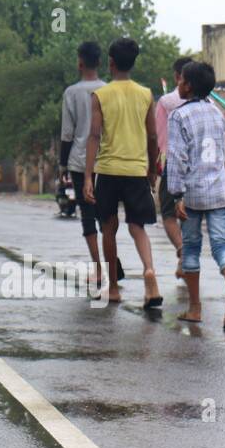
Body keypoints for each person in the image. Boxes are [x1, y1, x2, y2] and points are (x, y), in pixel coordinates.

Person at [166, 61, 225, 329]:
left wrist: (176, 195)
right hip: (218, 192)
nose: (177, 83)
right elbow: (223, 154)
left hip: (192, 193)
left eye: (181, 80)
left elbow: (177, 158)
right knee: (222, 245)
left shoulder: (179, 116)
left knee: (191, 248)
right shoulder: (218, 114)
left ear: (188, 85)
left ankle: (195, 308)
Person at [84, 38, 162, 307]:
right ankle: (149, 271)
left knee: (108, 228)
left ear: (111, 62)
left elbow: (94, 136)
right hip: (136, 169)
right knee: (137, 226)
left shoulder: (100, 96)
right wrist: (152, 169)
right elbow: (153, 136)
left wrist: (86, 177)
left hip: (107, 170)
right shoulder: (145, 94)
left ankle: (114, 288)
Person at [59, 41, 120, 286]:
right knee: (106, 214)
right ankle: (112, 261)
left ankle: (98, 269)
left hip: (78, 162)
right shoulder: (109, 90)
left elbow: (67, 133)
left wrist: (63, 165)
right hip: (105, 161)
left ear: (80, 62)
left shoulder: (71, 93)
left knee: (87, 214)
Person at [154, 56, 195, 281]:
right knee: (191, 215)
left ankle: (182, 252)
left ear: (178, 77)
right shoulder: (209, 104)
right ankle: (187, 257)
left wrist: (156, 166)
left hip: (174, 163)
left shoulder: (167, 102)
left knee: (169, 213)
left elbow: (159, 137)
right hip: (198, 166)